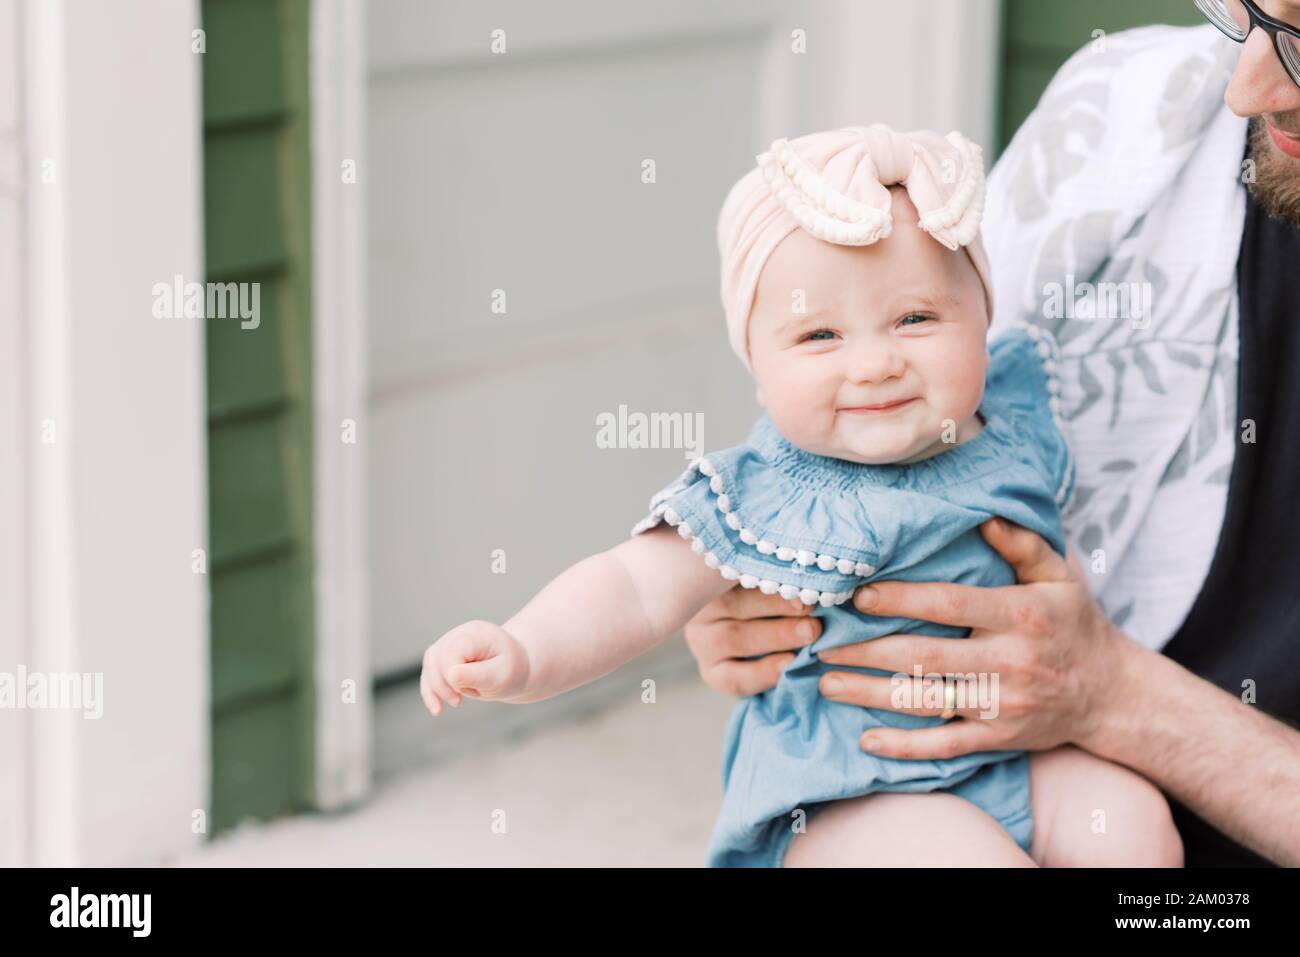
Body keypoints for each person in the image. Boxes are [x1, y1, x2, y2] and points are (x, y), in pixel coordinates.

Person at [419, 124, 1185, 866]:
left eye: (916, 317)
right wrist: (523, 650)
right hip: (853, 789)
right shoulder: (771, 492)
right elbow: (632, 586)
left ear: (983, 319)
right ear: (755, 366)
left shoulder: (1014, 417)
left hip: (1014, 752)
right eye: (819, 336)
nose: (875, 362)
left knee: (1135, 828)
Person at [684, 10, 1300, 867]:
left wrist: (1113, 694)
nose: (1249, 87)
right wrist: (748, 592)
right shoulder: (1120, 116)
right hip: (920, 793)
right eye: (1253, 12)